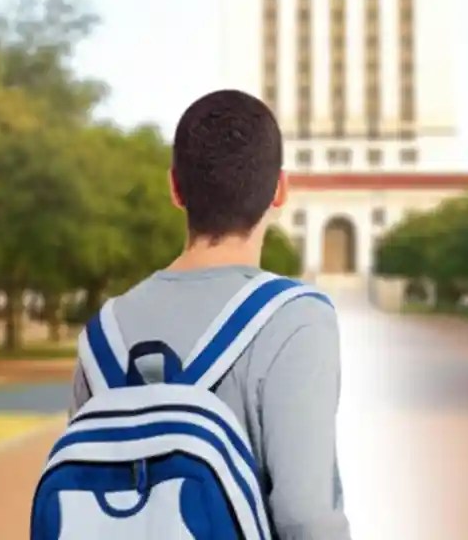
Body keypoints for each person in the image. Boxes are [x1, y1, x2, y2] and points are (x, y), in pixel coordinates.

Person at [66, 89, 351, 540]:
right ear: (280, 190)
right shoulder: (295, 320)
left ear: (175, 188)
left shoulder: (104, 332)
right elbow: (305, 517)